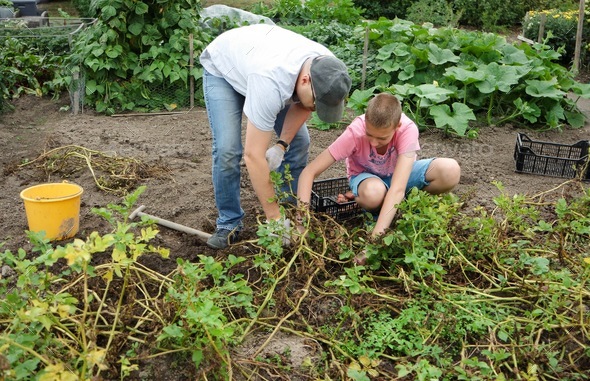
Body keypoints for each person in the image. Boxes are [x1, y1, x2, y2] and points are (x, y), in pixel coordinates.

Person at [199, 24, 352, 249]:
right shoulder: (271, 81)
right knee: (228, 151)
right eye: (316, 103)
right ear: (305, 81)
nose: (315, 109)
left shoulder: (328, 69)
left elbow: (305, 105)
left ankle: (289, 207)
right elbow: (253, 156)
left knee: (299, 141)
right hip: (225, 70)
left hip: (258, 62)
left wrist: (281, 145)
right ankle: (229, 222)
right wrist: (273, 220)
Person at [297, 92, 461, 243]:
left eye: (382, 138)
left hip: (398, 177)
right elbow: (309, 172)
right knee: (374, 194)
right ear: (366, 121)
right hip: (366, 178)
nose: (374, 143)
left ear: (397, 126)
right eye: (369, 134)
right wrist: (301, 223)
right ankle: (371, 204)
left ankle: (404, 207)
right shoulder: (355, 132)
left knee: (450, 170)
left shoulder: (408, 130)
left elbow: (397, 187)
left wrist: (373, 242)